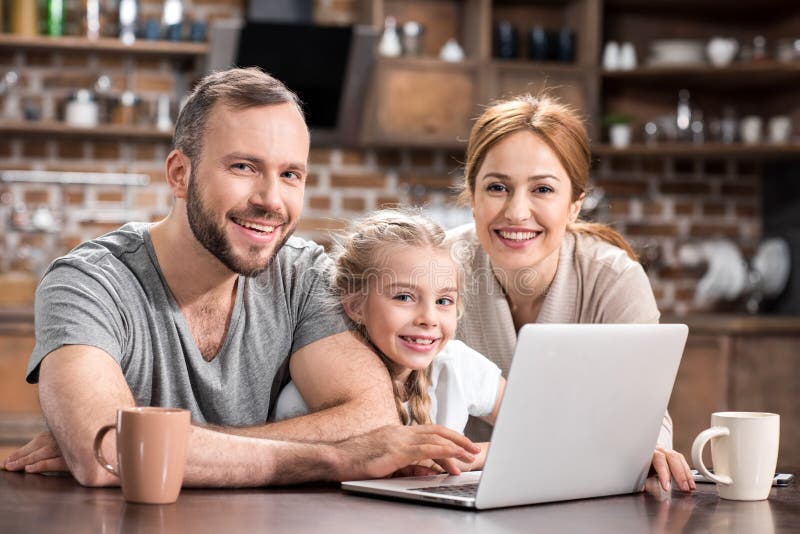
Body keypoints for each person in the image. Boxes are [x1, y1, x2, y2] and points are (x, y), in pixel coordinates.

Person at [3, 68, 479, 486]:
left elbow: (370, 419)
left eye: (291, 174)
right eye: (244, 167)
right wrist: (333, 458)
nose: (272, 199)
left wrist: (151, 447)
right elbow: (103, 456)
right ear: (178, 174)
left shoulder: (301, 273)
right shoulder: (88, 284)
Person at [447, 93, 696, 493]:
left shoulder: (613, 279)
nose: (516, 212)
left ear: (575, 205)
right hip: (449, 493)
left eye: (542, 190)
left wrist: (651, 448)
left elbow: (640, 415)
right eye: (497, 187)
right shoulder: (436, 269)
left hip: (577, 496)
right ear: (472, 196)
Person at [273, 209, 507, 472]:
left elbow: (540, 429)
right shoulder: (310, 397)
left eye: (443, 301)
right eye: (404, 297)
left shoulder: (456, 364)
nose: (428, 318)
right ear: (356, 305)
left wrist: (467, 457)